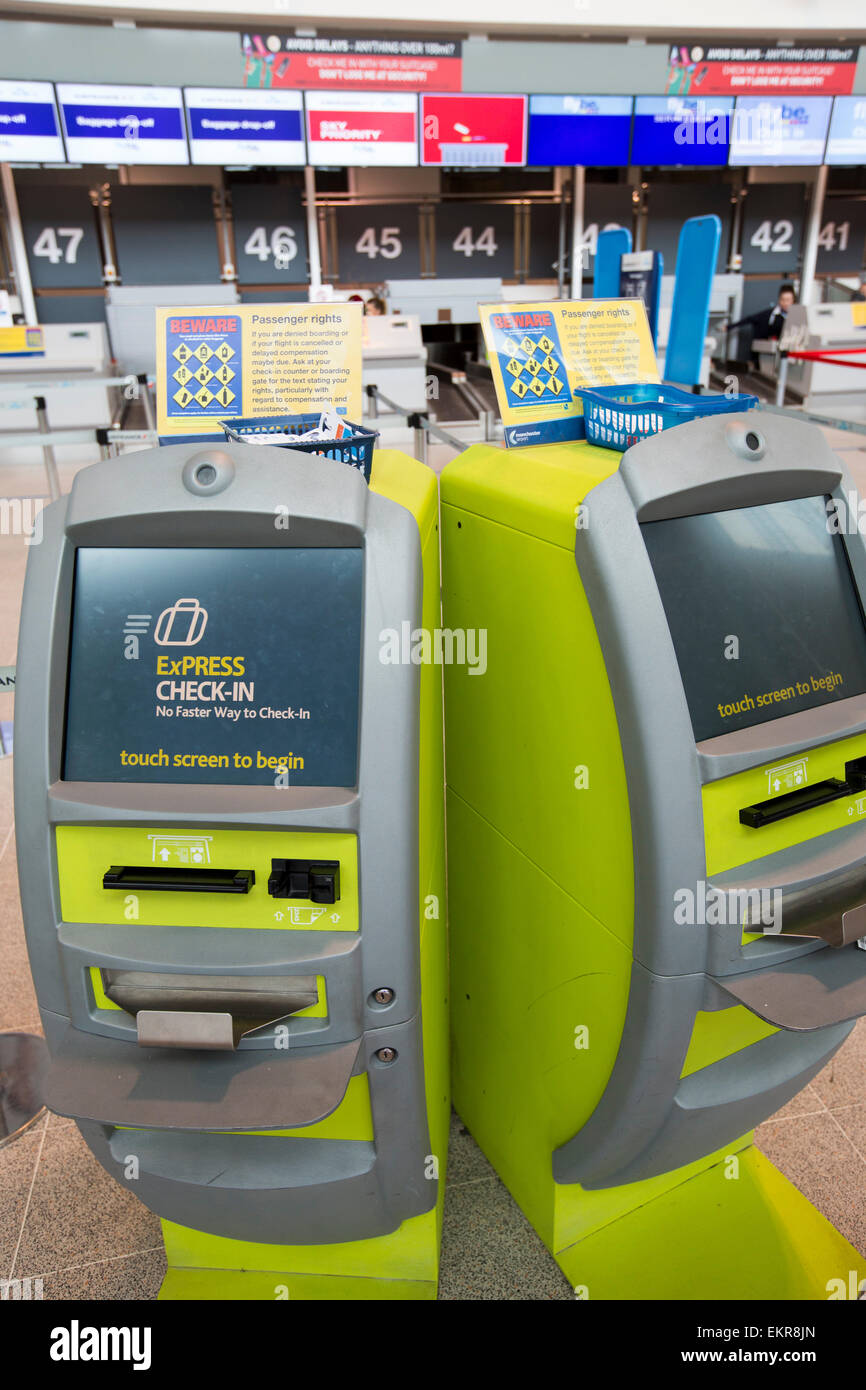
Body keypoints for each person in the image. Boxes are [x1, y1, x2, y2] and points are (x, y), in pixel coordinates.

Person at [725, 283, 796, 363]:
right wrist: (729, 327)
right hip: (769, 355)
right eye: (782, 300)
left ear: (793, 300)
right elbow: (750, 319)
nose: (785, 303)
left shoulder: (797, 316)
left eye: (788, 300)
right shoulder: (770, 315)